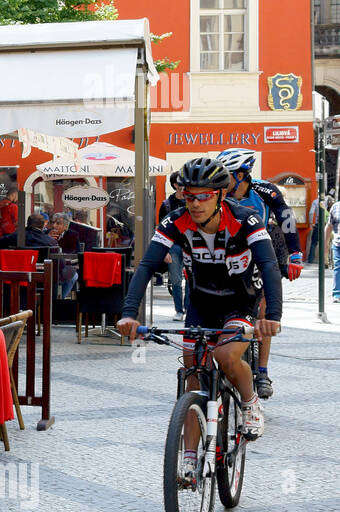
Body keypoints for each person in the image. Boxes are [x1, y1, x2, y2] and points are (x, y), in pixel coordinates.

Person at [118, 158, 282, 474]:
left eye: (203, 196)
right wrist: (129, 314)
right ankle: (190, 460)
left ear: (220, 195)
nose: (194, 203)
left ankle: (249, 403)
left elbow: (270, 266)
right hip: (201, 304)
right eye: (189, 195)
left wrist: (271, 315)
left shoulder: (246, 221)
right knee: (194, 371)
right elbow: (146, 266)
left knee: (225, 354)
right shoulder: (175, 221)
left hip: (240, 303)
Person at [215, 148, 303, 400]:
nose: (221, 179)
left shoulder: (266, 191)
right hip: (226, 254)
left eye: (227, 175)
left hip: (258, 253)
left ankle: (262, 371)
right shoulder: (218, 192)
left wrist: (295, 254)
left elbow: (286, 219)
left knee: (263, 312)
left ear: (241, 175)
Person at [157, 182, 187, 321]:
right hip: (173, 246)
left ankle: (188, 308)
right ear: (175, 185)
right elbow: (161, 229)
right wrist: (164, 251)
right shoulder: (167, 204)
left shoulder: (192, 202)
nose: (183, 188)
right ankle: (179, 310)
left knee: (191, 279)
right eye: (180, 185)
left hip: (190, 245)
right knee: (175, 280)